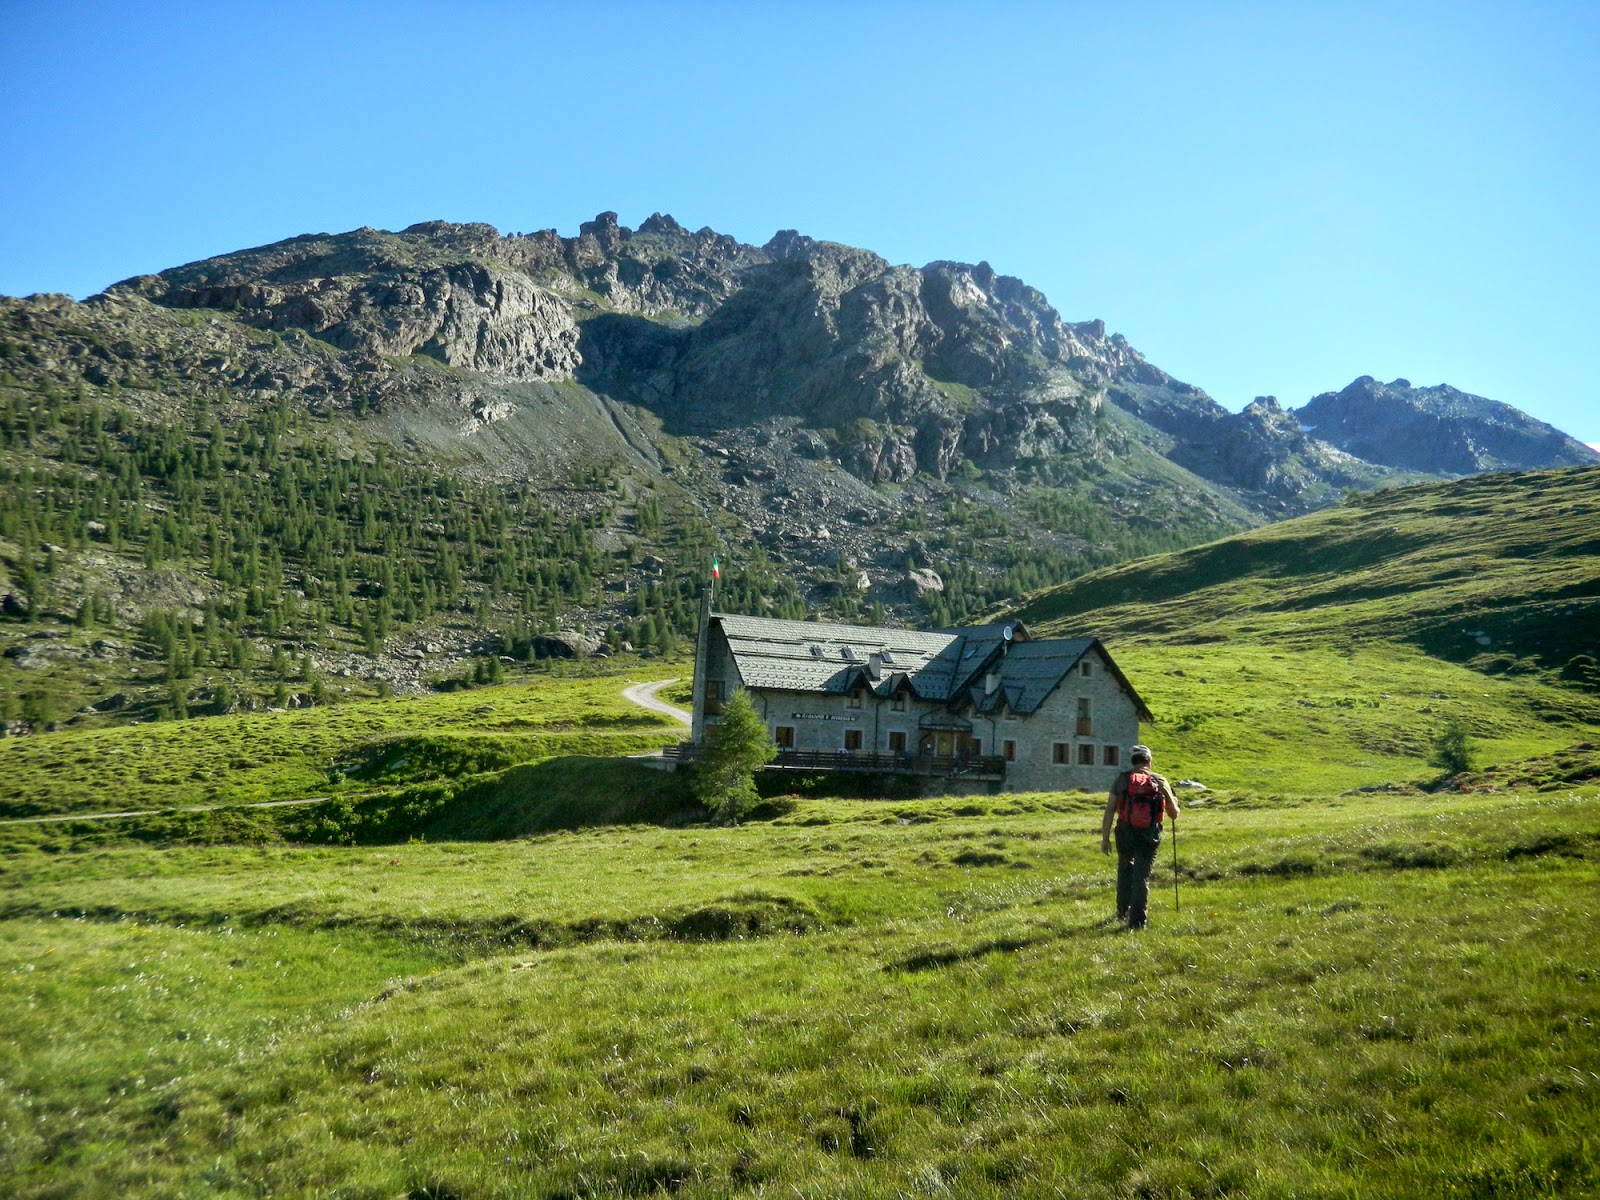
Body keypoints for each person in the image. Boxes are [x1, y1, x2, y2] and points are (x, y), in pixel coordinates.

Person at [1100, 744, 1180, 929]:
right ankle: (1137, 922)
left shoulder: (1122, 779)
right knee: (1141, 876)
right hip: (1149, 834)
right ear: (1149, 761)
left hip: (1125, 832)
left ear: (1132, 761)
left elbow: (1110, 810)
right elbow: (1174, 814)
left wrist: (1105, 838)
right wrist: (1166, 792)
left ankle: (1122, 912)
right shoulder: (1160, 780)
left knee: (1125, 870)